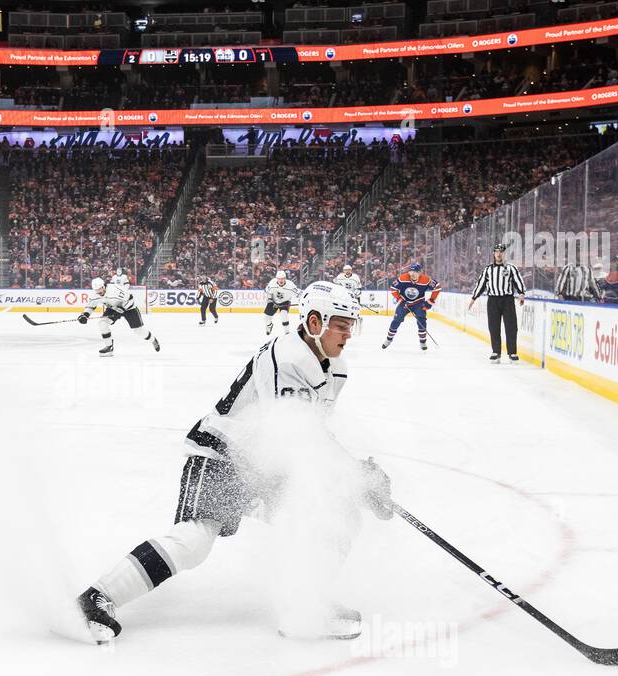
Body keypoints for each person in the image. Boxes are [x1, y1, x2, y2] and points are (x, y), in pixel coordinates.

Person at [74, 282, 391, 643]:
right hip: (222, 452)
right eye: (341, 324)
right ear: (314, 322)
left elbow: (312, 430)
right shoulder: (286, 357)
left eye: (352, 325)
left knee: (340, 517)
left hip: (266, 462)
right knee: (195, 540)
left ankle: (307, 604)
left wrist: (355, 478)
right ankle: (95, 599)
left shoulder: (336, 369)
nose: (349, 333)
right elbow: (290, 432)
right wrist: (353, 475)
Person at [469, 243, 526, 362]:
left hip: (507, 300)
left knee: (511, 326)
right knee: (494, 326)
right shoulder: (488, 269)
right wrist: (474, 297)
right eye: (496, 251)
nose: (499, 254)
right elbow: (481, 284)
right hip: (493, 300)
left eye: (501, 252)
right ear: (494, 254)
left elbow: (518, 281)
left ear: (504, 254)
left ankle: (512, 353)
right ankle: (496, 351)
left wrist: (521, 294)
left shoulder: (511, 268)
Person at [79, 275, 160, 357]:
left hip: (129, 308)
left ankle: (153, 340)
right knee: (102, 323)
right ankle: (109, 346)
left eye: (100, 290)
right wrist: (85, 315)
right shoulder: (95, 295)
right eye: (96, 291)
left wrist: (121, 309)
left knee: (139, 331)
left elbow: (130, 299)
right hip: (113, 308)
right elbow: (90, 306)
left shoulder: (114, 290)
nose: (99, 293)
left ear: (104, 286)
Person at [381, 262, 440, 352]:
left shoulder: (426, 279)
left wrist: (430, 301)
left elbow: (437, 287)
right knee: (396, 321)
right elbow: (393, 288)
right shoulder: (403, 278)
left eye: (415, 272)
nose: (412, 274)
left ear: (419, 272)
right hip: (404, 303)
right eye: (411, 272)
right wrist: (400, 299)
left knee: (422, 322)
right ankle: (389, 339)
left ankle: (423, 342)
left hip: (419, 303)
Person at [263, 269, 300, 335]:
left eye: (283, 278)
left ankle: (287, 332)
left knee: (284, 314)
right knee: (266, 317)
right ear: (276, 279)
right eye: (279, 279)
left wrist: (301, 299)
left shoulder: (290, 285)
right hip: (274, 301)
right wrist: (270, 300)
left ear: (285, 278)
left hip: (285, 302)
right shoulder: (272, 283)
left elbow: (299, 293)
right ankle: (269, 326)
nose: (281, 280)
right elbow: (267, 291)